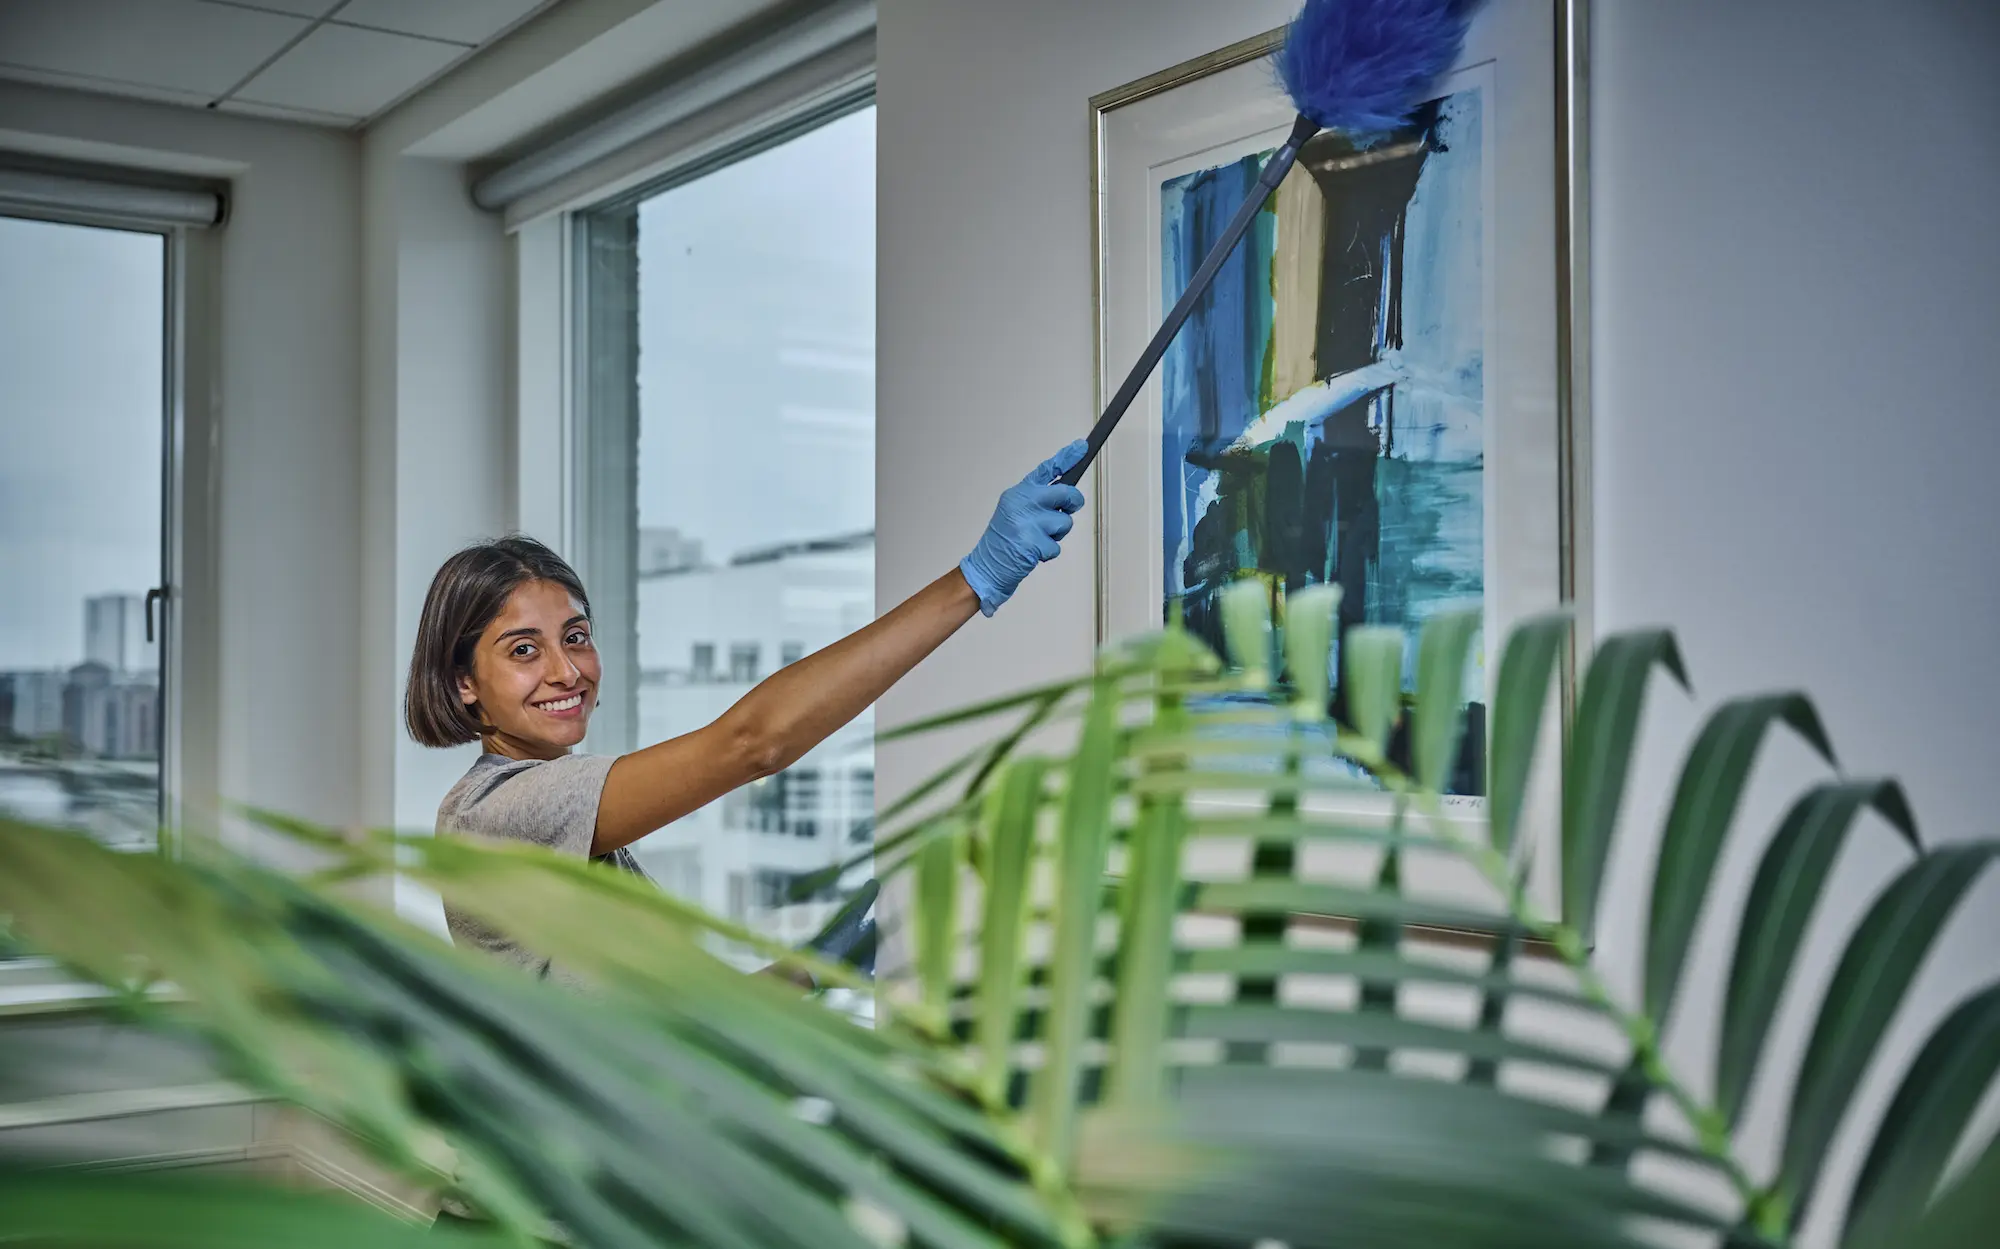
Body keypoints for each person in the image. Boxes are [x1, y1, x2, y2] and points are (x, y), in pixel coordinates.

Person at [403, 440, 1088, 982]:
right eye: (523, 649)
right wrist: (972, 580)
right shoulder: (498, 811)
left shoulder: (583, 831)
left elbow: (692, 1033)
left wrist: (829, 958)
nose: (565, 669)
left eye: (575, 636)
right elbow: (753, 742)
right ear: (464, 682)